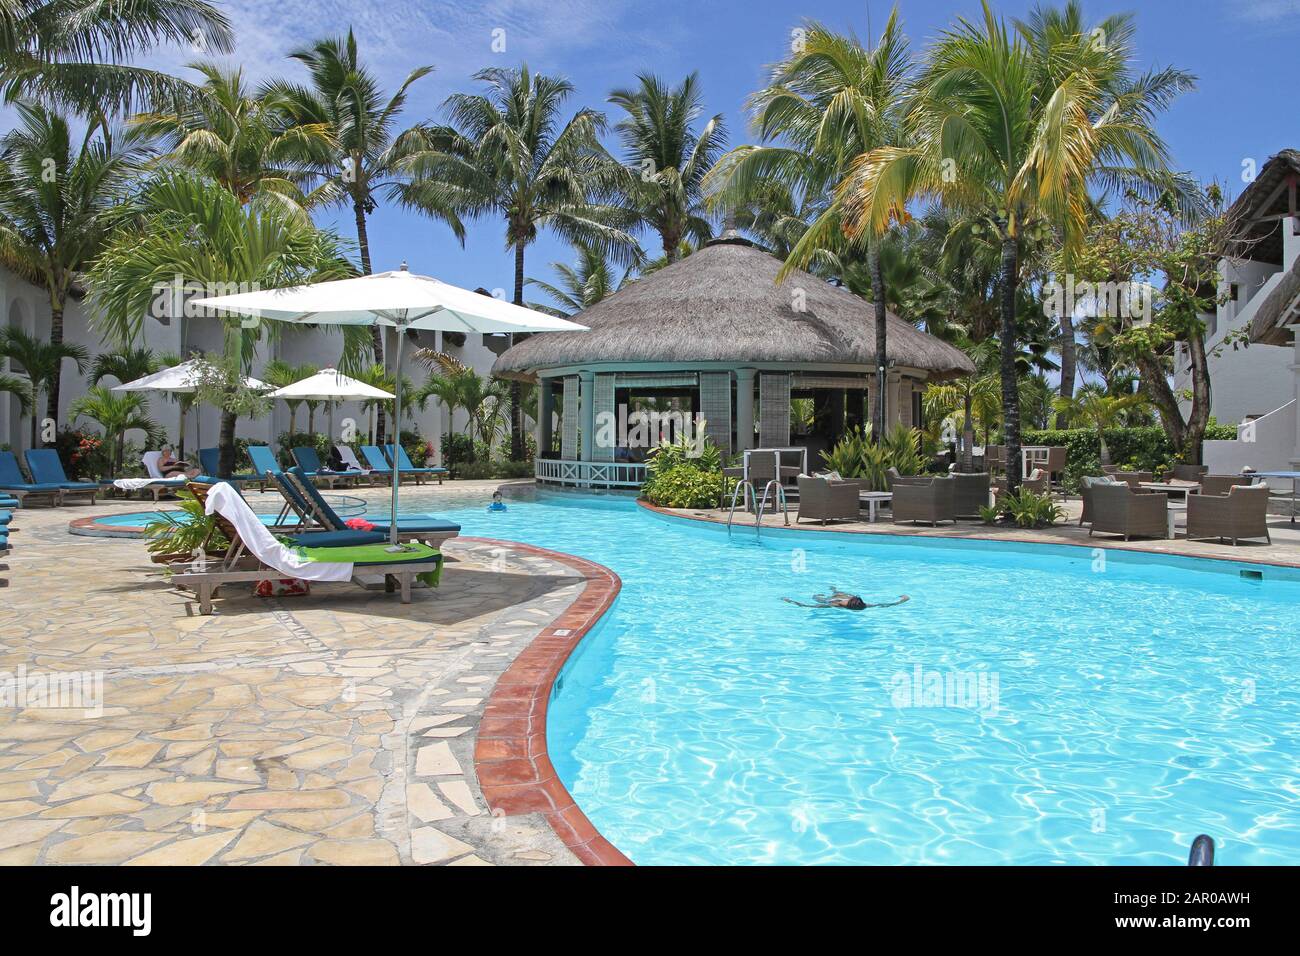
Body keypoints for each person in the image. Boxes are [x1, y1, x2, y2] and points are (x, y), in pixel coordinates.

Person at [782, 589, 909, 611]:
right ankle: (834, 589)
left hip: (828, 599)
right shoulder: (863, 605)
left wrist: (789, 601)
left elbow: (806, 606)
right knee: (839, 592)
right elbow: (886, 605)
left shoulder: (834, 605)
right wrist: (904, 599)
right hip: (837, 595)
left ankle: (833, 590)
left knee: (815, 597)